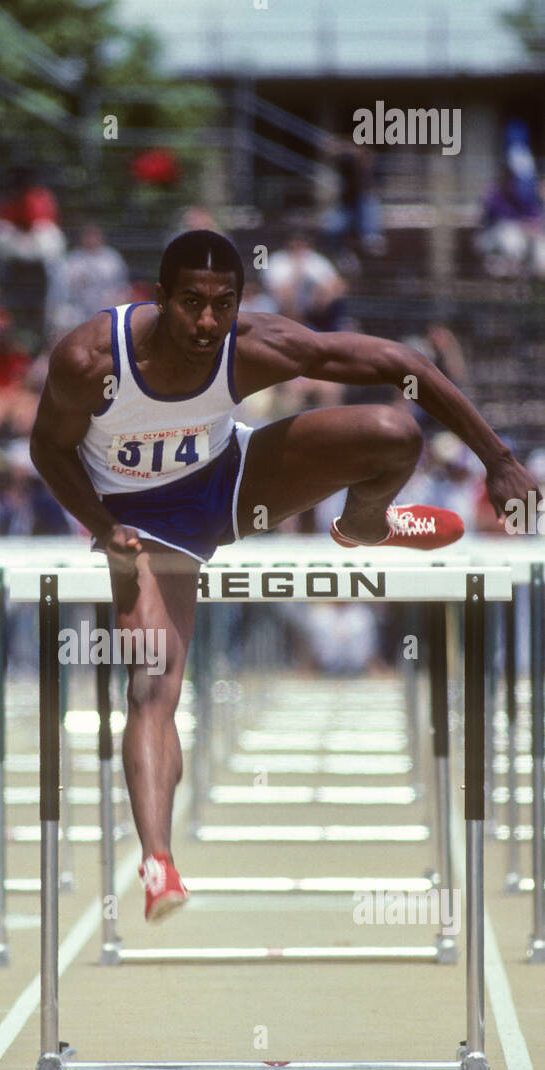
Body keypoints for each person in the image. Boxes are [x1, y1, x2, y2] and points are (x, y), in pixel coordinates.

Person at [29, 229, 539, 921]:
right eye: (191, 304)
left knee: (394, 436)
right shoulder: (91, 358)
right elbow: (47, 449)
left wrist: (498, 458)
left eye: (223, 304)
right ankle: (158, 863)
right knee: (154, 680)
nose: (207, 323)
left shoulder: (251, 346)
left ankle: (365, 526)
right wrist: (100, 524)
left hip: (231, 483)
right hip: (141, 523)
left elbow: (398, 361)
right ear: (158, 297)